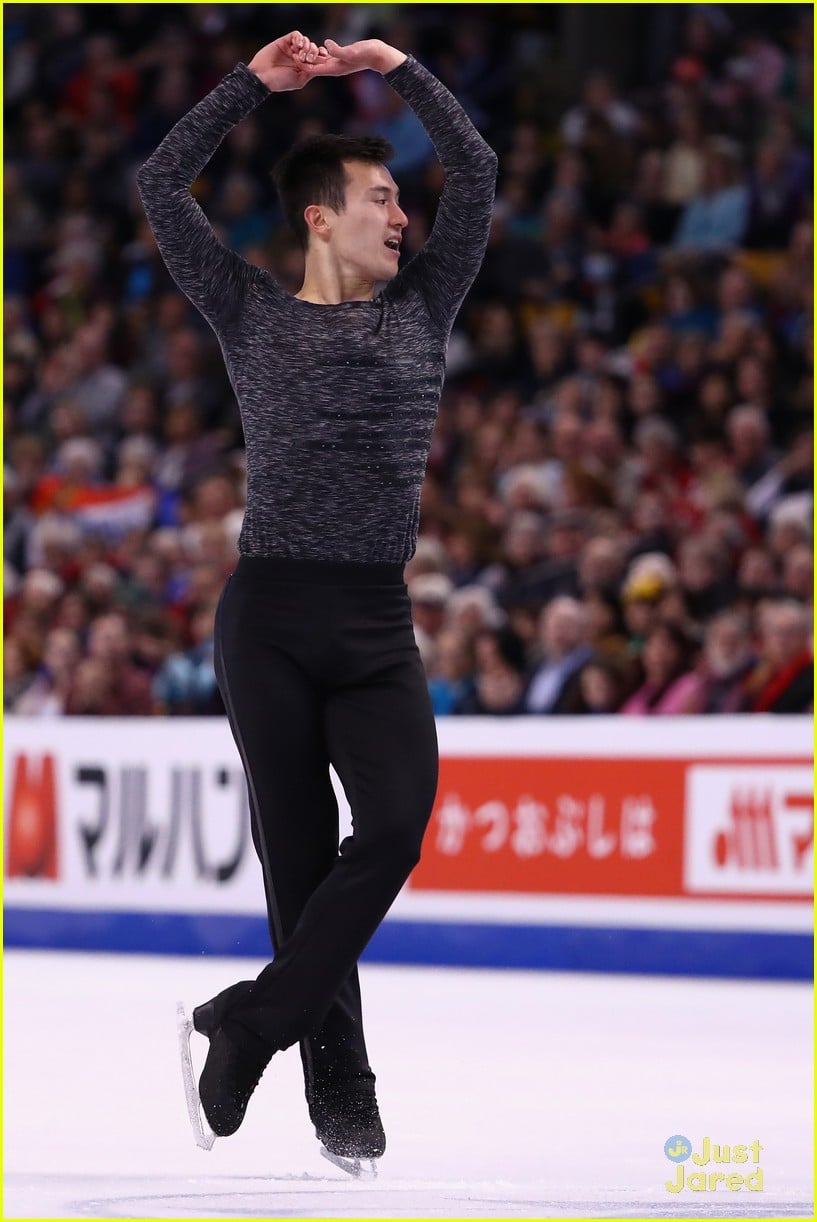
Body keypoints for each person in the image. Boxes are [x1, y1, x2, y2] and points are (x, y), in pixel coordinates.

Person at [137, 29, 497, 1170]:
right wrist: (254, 84)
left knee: (392, 827)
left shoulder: (427, 305)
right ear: (318, 216)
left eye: (402, 198)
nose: (404, 215)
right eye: (380, 198)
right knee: (296, 862)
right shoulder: (250, 313)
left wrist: (398, 71)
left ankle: (248, 1021)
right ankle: (340, 1087)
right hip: (272, 619)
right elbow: (156, 181)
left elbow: (477, 168)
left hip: (373, 621)